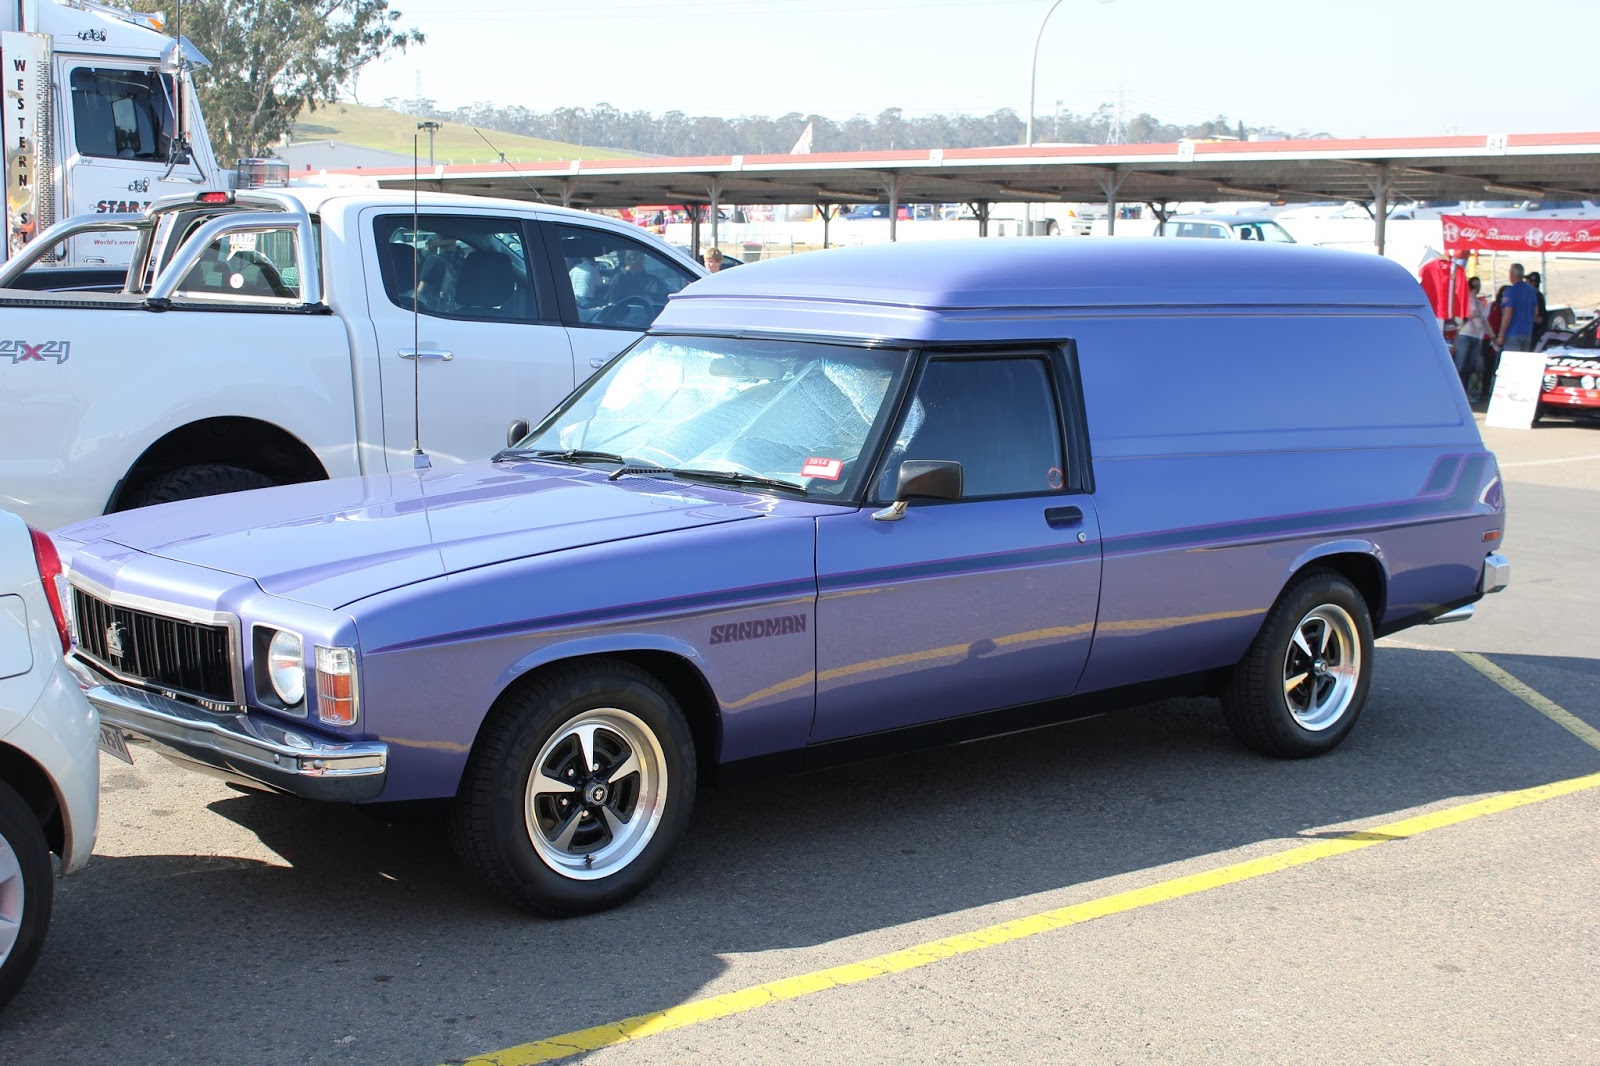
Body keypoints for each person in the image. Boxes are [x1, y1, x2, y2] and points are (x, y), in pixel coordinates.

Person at [1453, 276, 1489, 402]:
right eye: (1475, 286)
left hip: (1475, 336)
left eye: (1478, 286)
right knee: (1460, 364)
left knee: (1469, 366)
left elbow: (1484, 320)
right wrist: (1469, 316)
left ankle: (1465, 391)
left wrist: (1492, 334)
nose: (1477, 289)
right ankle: (1455, 392)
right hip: (1465, 334)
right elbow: (1459, 317)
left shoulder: (1478, 302)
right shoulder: (1464, 300)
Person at [1494, 263, 1539, 352]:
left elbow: (1508, 313)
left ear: (1511, 274)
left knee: (1512, 362)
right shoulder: (1531, 290)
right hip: (1527, 332)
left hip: (1513, 333)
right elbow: (1535, 311)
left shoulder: (1510, 291)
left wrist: (1501, 334)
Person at [1525, 270, 1548, 346]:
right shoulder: (1533, 295)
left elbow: (1539, 318)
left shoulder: (1537, 297)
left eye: (1527, 281)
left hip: (1535, 333)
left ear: (1533, 283)